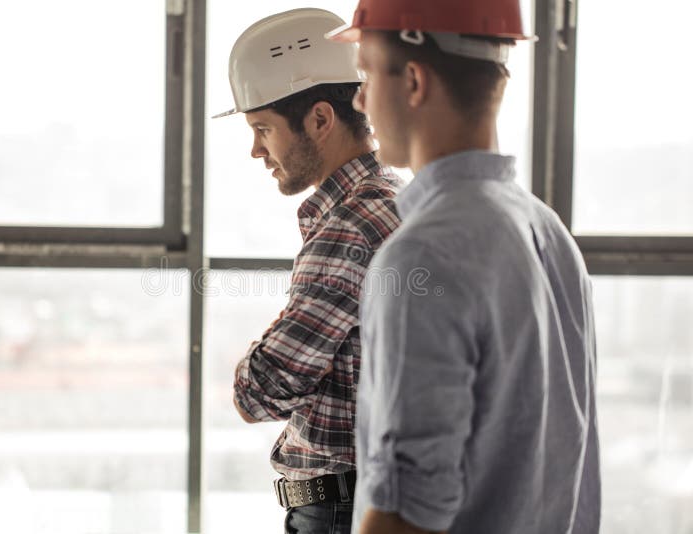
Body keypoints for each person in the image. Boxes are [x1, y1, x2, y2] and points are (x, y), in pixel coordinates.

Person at [326, 1, 601, 533]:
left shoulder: (422, 257)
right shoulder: (547, 230)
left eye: (365, 75)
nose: (359, 100)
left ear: (412, 80)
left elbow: (408, 513)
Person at [214, 8, 403, 533]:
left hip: (338, 508)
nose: (256, 151)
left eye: (263, 130)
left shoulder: (351, 225)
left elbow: (262, 388)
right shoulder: (393, 199)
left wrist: (251, 360)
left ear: (320, 120)